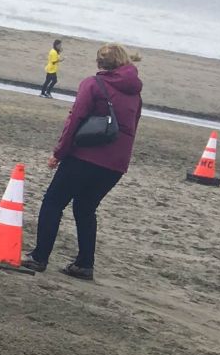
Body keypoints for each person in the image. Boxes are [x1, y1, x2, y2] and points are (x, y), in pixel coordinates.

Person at [22, 44, 143, 280]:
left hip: (84, 155)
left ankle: (39, 257)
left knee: (53, 202)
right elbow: (132, 127)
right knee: (86, 209)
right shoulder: (135, 92)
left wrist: (58, 153)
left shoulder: (92, 84)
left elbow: (75, 120)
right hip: (115, 164)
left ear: (100, 63)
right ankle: (85, 264)